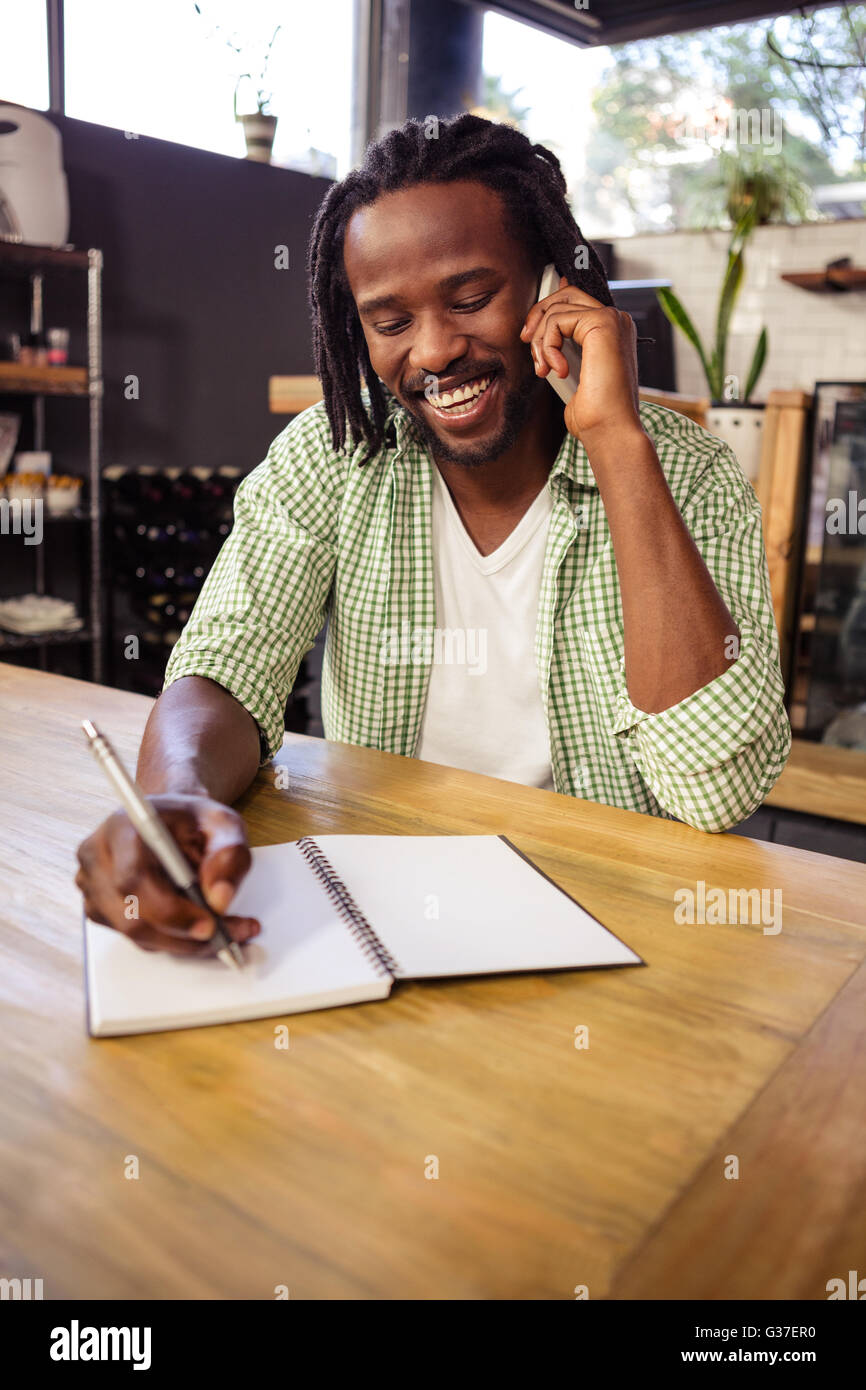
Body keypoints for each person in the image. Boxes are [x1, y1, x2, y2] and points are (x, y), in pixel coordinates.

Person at [75, 114, 791, 957]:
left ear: (552, 282)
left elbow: (717, 792)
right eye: (390, 321)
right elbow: (229, 662)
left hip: (617, 918)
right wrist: (177, 800)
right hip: (388, 906)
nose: (436, 351)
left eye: (471, 298)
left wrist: (619, 444)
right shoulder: (336, 455)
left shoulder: (690, 475)